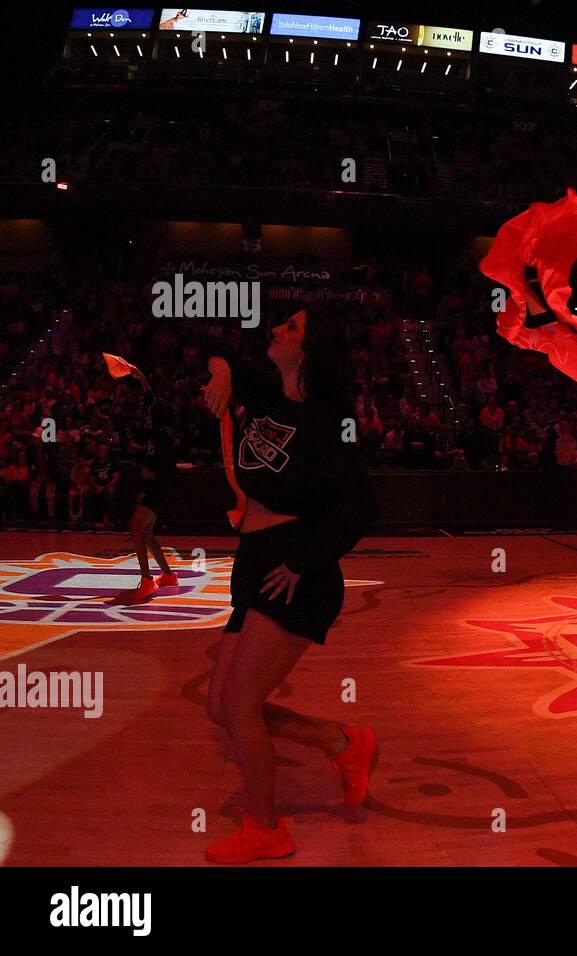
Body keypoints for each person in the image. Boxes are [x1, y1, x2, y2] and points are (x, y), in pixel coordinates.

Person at [199, 302, 377, 864]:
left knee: (242, 702)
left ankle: (266, 829)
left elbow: (358, 508)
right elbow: (212, 345)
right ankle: (344, 744)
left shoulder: (329, 418)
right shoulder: (269, 392)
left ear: (312, 347)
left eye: (292, 326)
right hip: (253, 559)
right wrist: (223, 374)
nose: (276, 328)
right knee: (220, 706)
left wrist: (304, 559)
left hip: (295, 569)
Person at [117, 370, 181, 604]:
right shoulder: (163, 431)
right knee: (146, 532)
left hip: (157, 488)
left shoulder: (162, 436)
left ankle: (146, 580)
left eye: (150, 414)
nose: (147, 416)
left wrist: (147, 474)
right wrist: (141, 376)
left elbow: (162, 467)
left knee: (135, 527)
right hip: (157, 488)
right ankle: (168, 575)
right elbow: (152, 397)